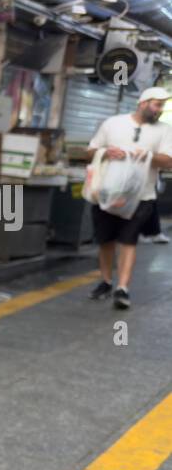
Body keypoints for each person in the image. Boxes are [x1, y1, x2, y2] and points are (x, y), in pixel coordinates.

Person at [85, 86, 172, 309]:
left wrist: (149, 156)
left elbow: (168, 160)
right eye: (157, 105)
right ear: (143, 103)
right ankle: (105, 281)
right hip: (106, 193)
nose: (160, 110)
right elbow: (90, 151)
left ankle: (123, 288)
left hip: (142, 196)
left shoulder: (165, 130)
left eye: (162, 106)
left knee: (128, 240)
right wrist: (106, 152)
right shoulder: (113, 123)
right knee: (106, 240)